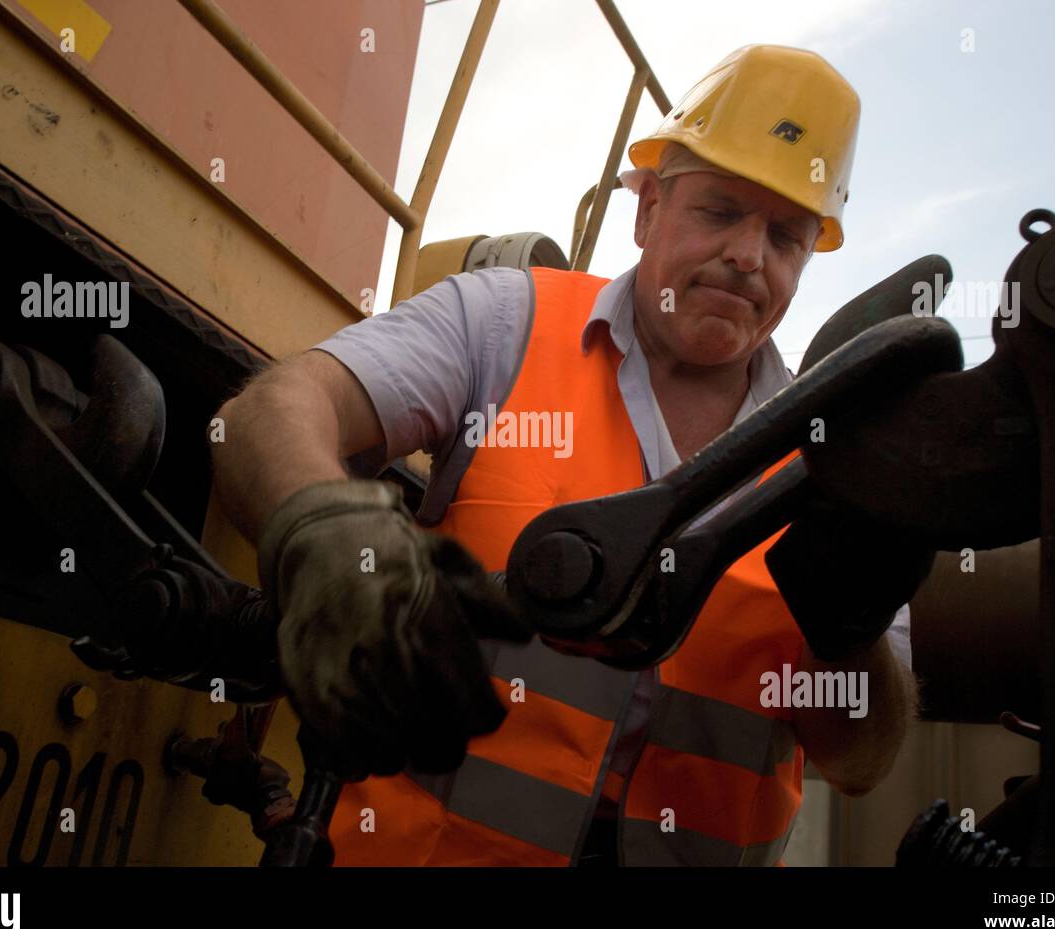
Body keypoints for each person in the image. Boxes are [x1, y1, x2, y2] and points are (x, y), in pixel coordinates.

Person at [210, 44, 928, 866]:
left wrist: (851, 633)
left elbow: (863, 761)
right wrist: (324, 537)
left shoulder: (833, 462)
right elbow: (265, 413)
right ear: (648, 205)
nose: (748, 256)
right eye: (720, 211)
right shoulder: (505, 325)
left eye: (787, 237)